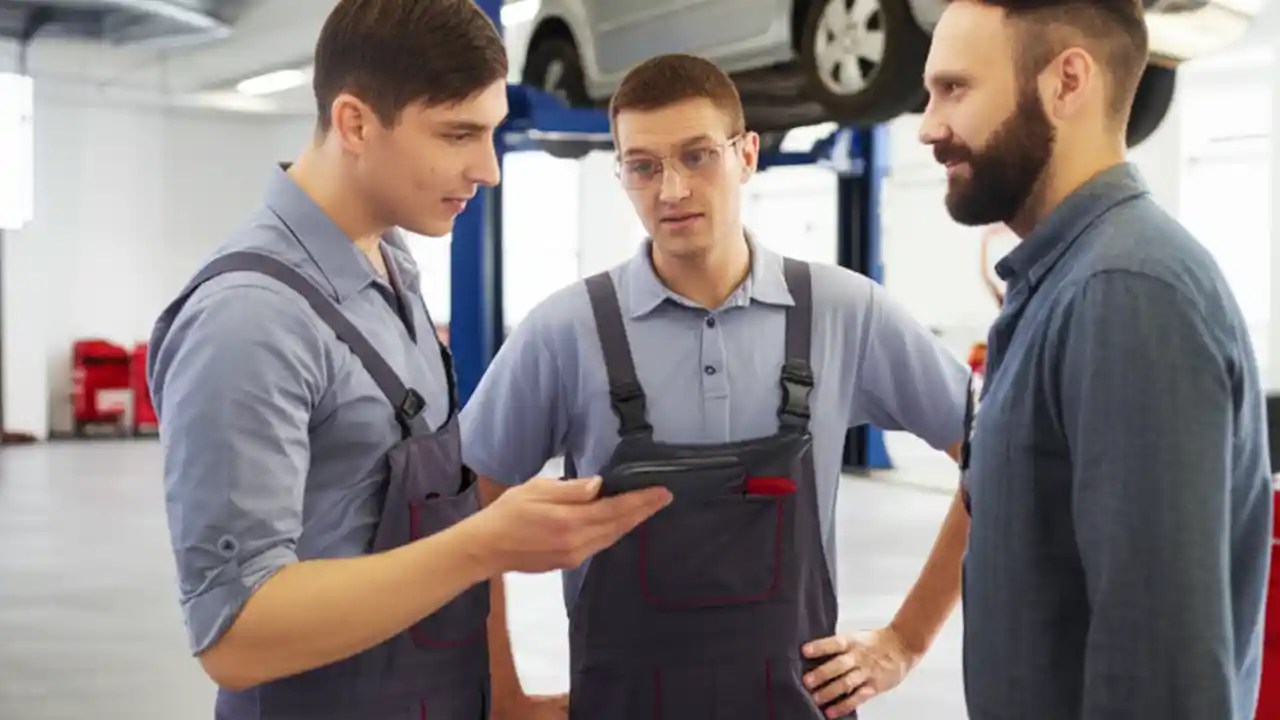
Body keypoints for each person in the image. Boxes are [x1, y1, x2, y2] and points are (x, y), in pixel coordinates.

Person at [145, 1, 671, 718]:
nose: (487, 168)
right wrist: (485, 544)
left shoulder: (391, 264)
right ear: (356, 123)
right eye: (458, 134)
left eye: (490, 133)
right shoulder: (250, 319)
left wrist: (503, 699)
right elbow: (237, 637)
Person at [461, 53, 973, 719]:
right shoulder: (566, 329)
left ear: (747, 154)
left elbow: (994, 452)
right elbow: (469, 502)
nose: (671, 189)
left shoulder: (843, 313)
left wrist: (905, 640)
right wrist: (502, 695)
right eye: (643, 166)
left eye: (697, 156)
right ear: (622, 174)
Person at [919, 1, 1273, 718]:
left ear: (1067, 82)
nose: (928, 125)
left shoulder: (1124, 293)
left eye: (954, 89)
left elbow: (1161, 670)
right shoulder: (1063, 283)